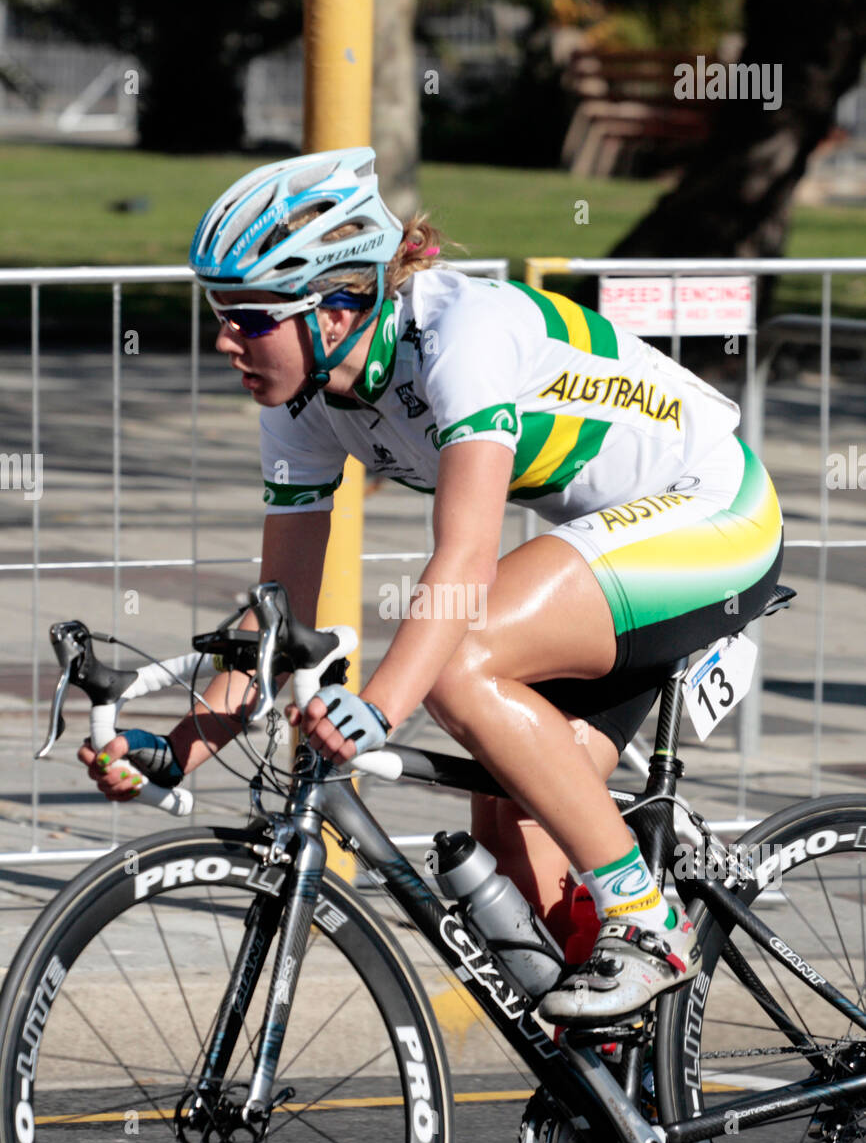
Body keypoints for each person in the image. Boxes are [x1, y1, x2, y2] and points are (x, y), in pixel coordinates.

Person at [79, 147, 783, 1023]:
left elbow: (466, 561)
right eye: (219, 312)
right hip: (612, 548)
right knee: (512, 830)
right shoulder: (301, 405)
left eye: (250, 316)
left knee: (461, 660)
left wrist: (379, 706)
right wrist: (179, 747)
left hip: (715, 510)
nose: (225, 339)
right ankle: (617, 1101)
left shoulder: (462, 334)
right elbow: (277, 621)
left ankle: (648, 920)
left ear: (337, 309)